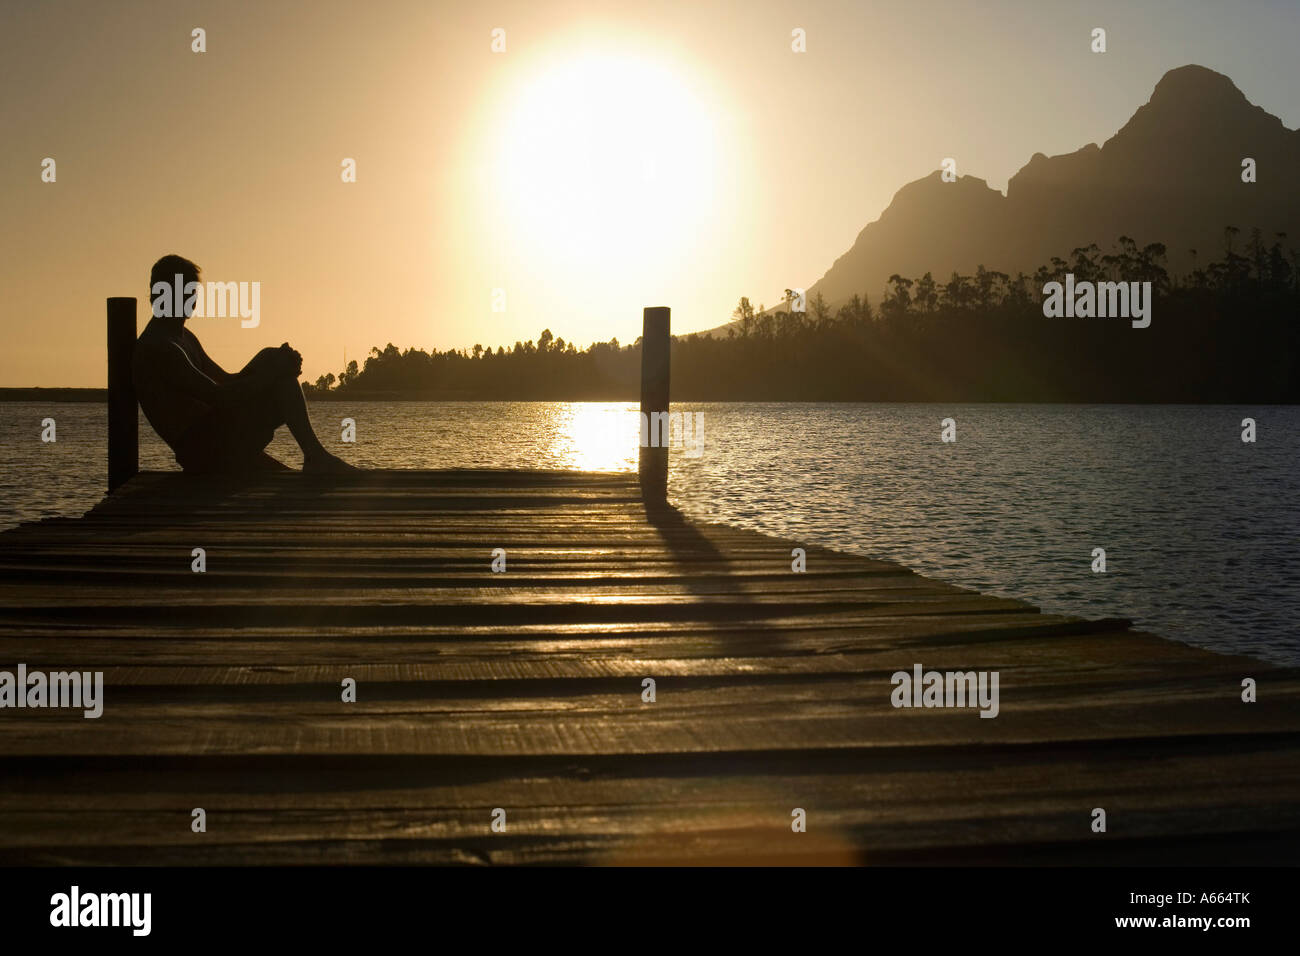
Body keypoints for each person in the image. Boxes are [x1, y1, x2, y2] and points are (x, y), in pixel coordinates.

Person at [133, 254, 358, 474]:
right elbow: (219, 396)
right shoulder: (160, 347)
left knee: (270, 356)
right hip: (201, 450)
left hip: (216, 435)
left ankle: (314, 456)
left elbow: (226, 380)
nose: (190, 299)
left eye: (191, 292)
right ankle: (315, 456)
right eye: (182, 293)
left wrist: (271, 361)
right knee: (283, 384)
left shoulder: (184, 337)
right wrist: (272, 374)